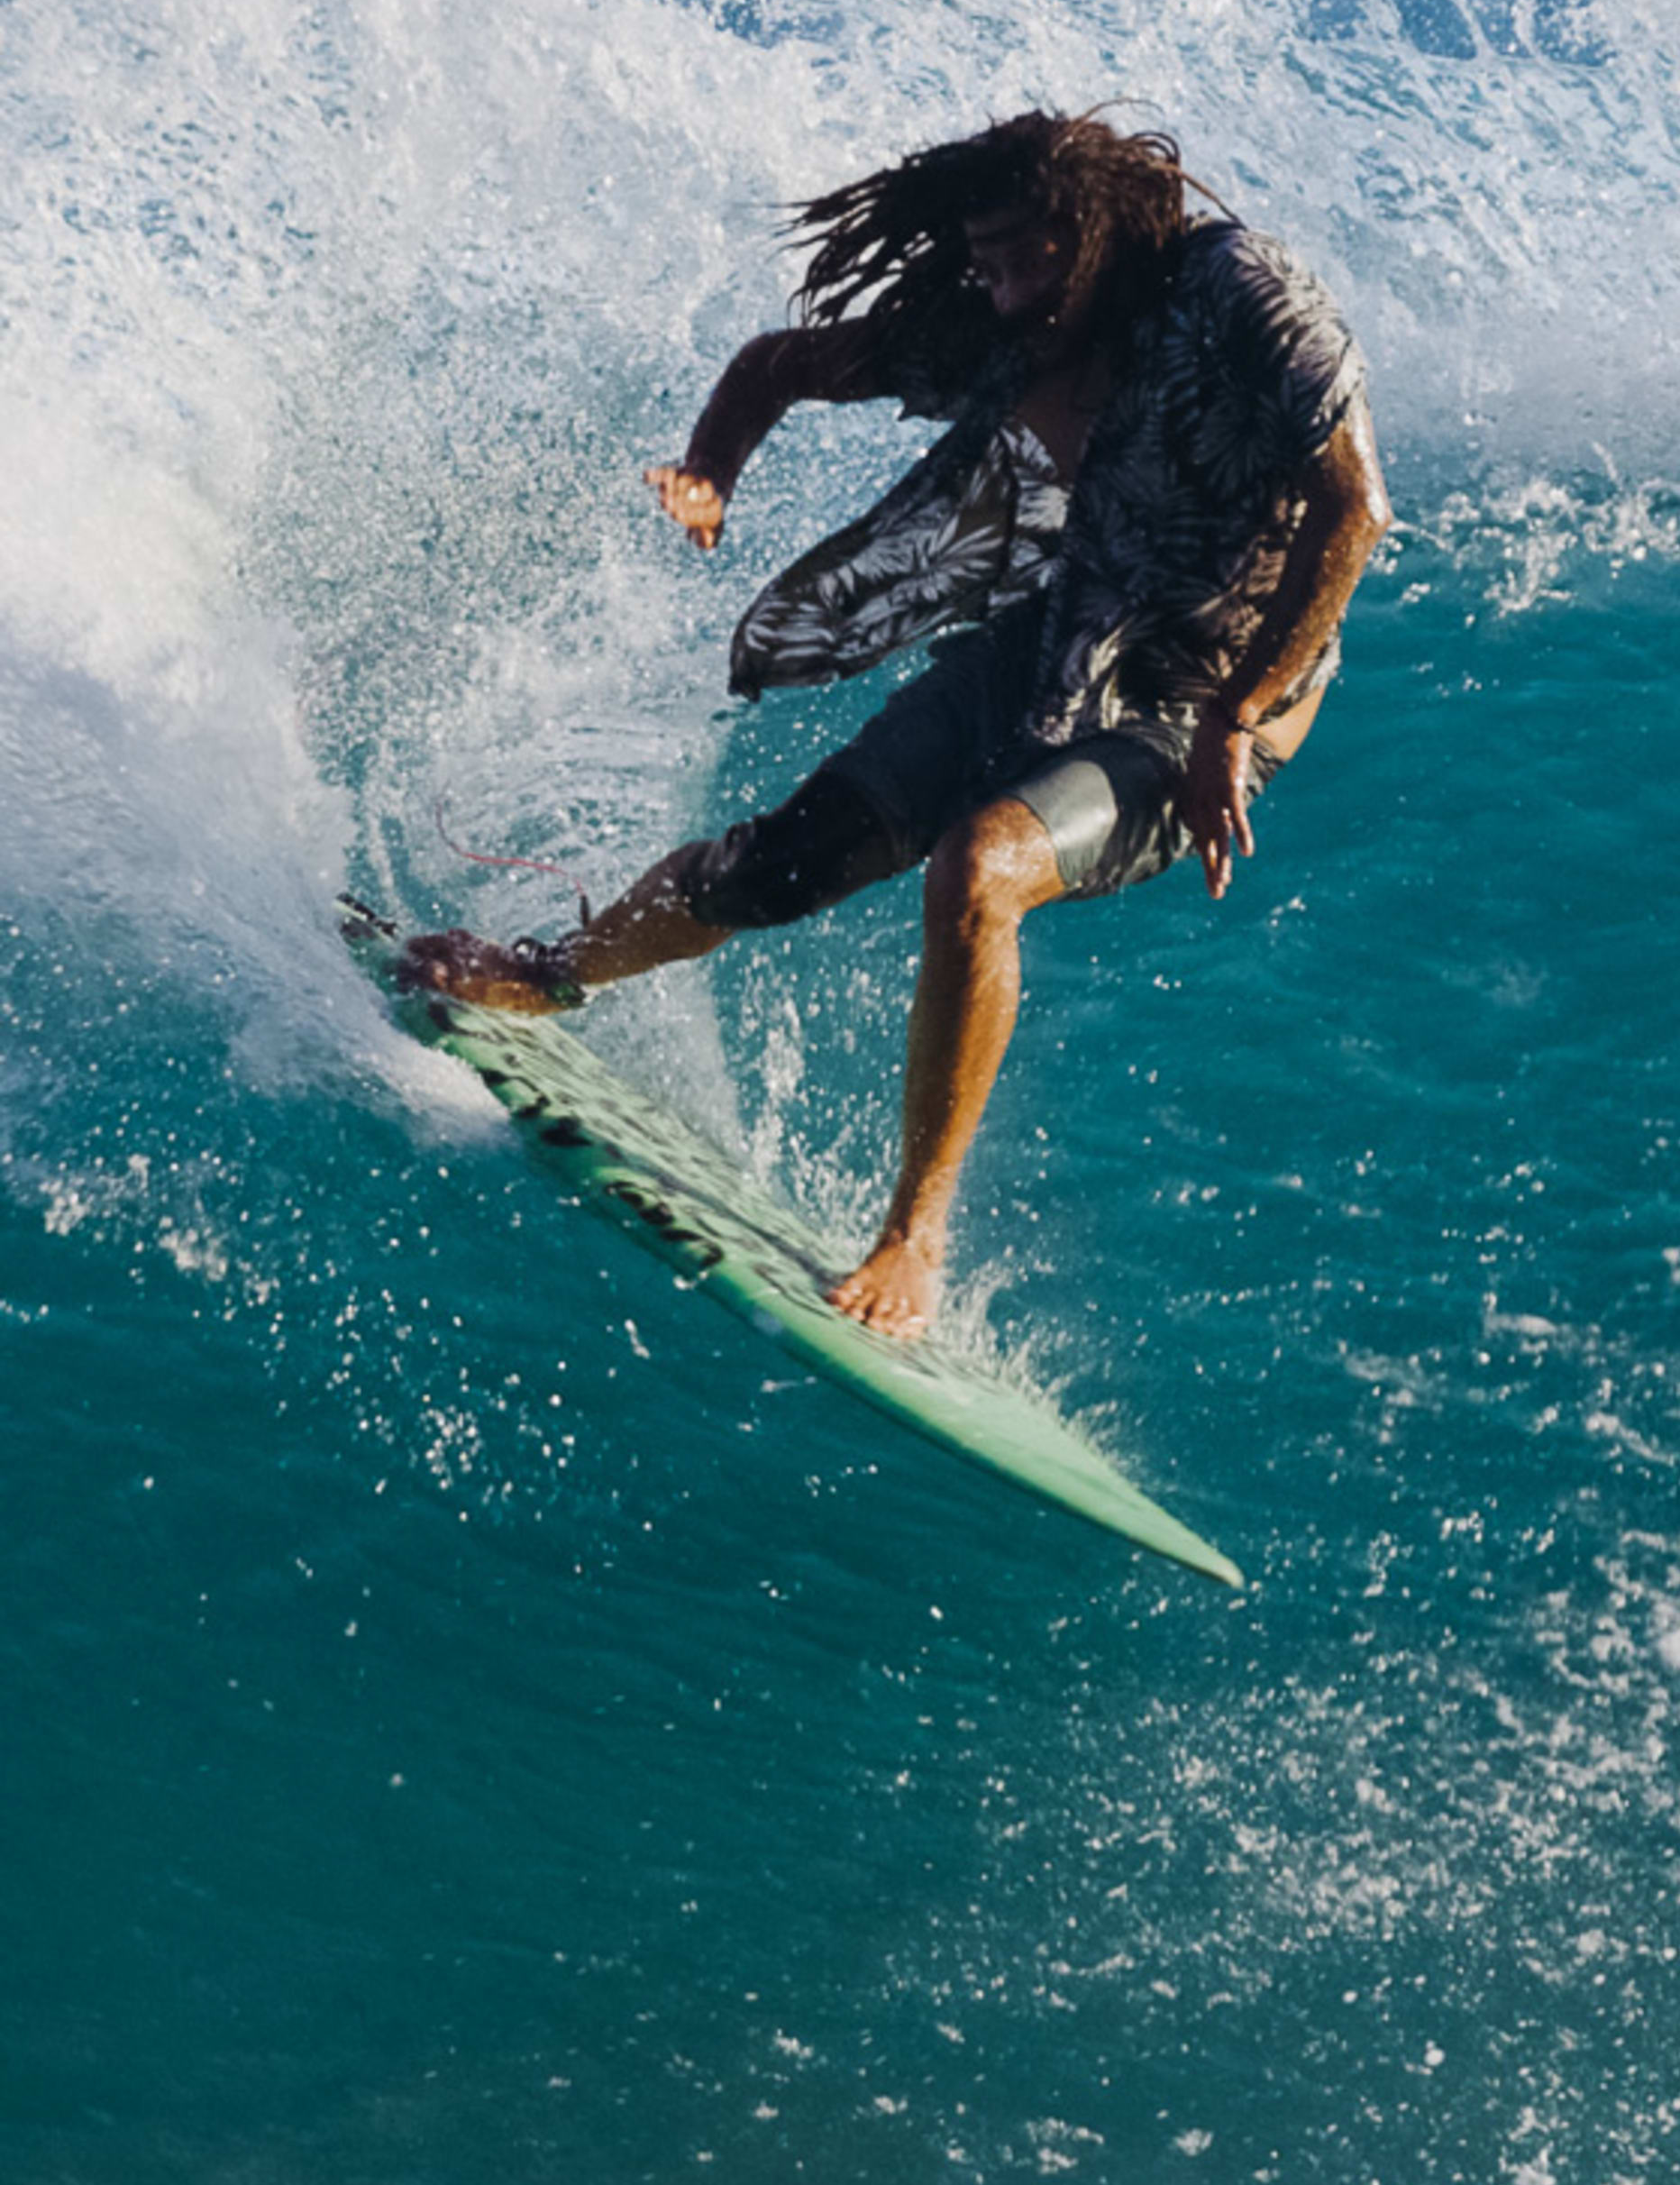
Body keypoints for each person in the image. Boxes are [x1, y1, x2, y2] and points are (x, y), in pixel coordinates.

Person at [402, 108, 1392, 1342]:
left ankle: (914, 1236)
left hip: (1206, 700)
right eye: (986, 263)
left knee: (979, 868)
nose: (1006, 290)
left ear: (1098, 232)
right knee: (787, 859)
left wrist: (1237, 718)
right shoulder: (997, 325)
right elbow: (779, 366)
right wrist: (711, 473)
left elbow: (1353, 510)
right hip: (1061, 640)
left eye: (1028, 257)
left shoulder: (1238, 292)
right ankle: (556, 974)